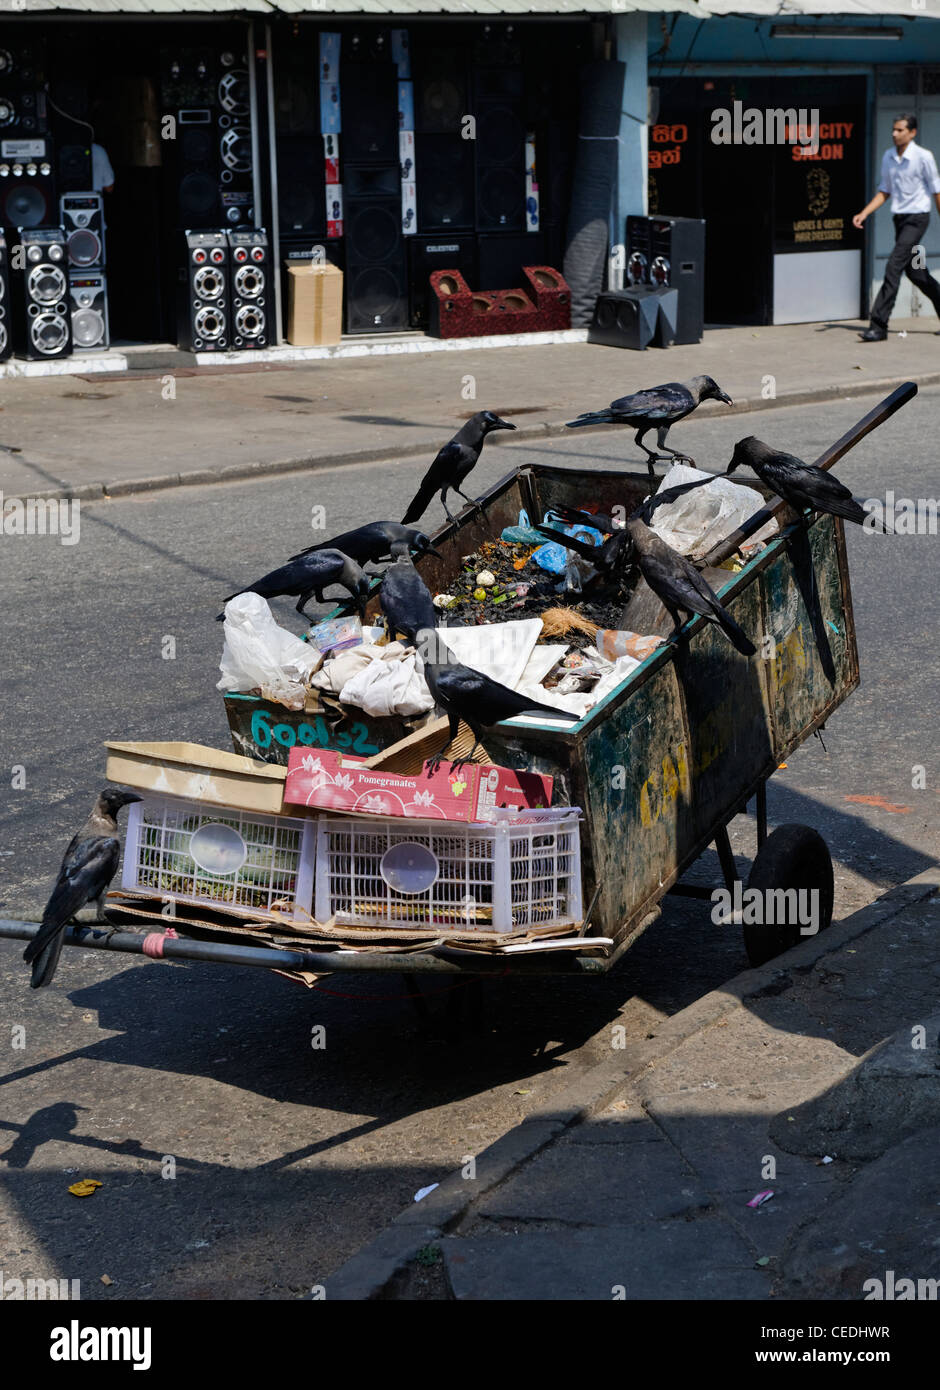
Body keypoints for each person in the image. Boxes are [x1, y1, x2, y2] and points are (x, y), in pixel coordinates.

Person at [853, 113, 940, 341]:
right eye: (893, 129)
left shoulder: (923, 157)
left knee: (893, 266)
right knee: (916, 272)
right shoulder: (889, 156)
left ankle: (878, 325)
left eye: (900, 130)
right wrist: (864, 213)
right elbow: (885, 191)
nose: (894, 134)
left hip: (918, 219)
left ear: (912, 133)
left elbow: (936, 191)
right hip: (900, 221)